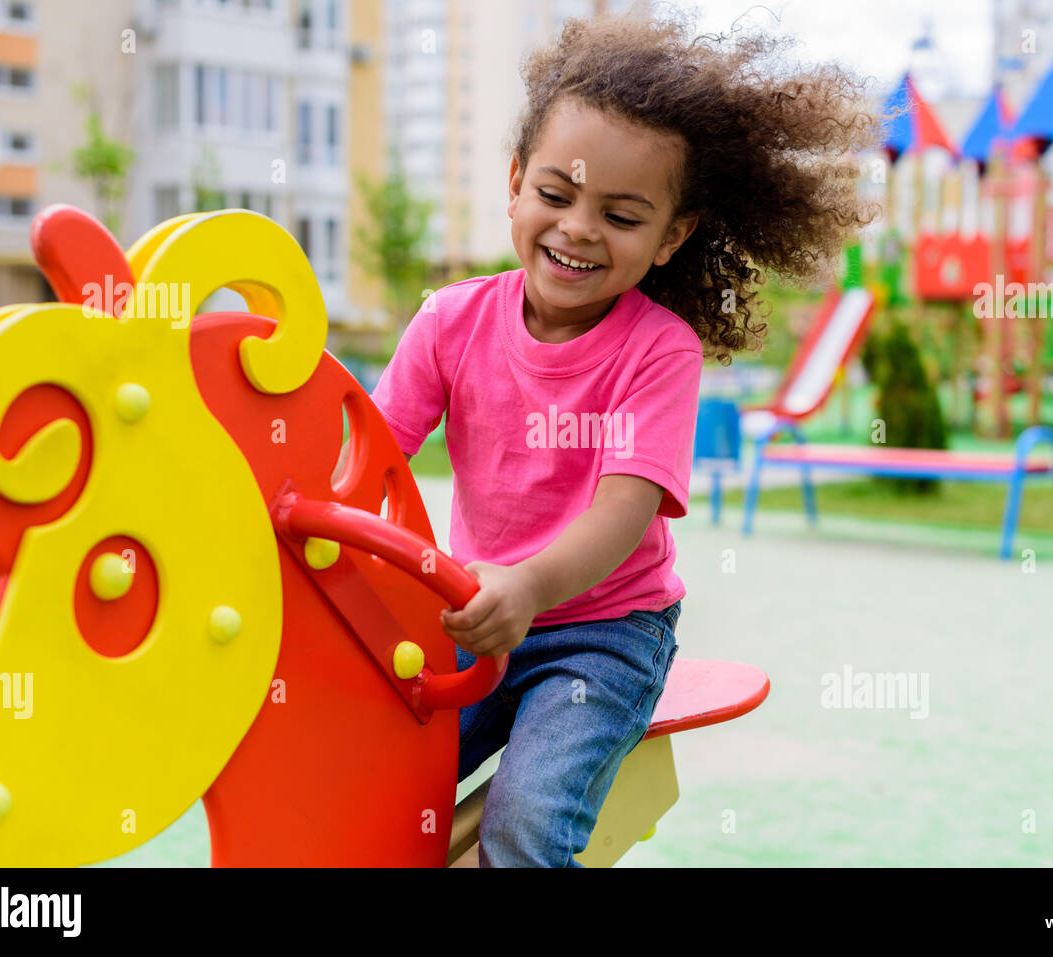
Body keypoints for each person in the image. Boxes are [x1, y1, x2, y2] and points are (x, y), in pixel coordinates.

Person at [369, 11, 876, 866]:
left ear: (671, 237)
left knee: (525, 819)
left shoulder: (658, 351)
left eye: (622, 214)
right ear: (516, 183)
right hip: (481, 611)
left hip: (603, 634)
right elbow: (370, 456)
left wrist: (528, 586)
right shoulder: (449, 320)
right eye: (557, 195)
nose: (577, 229)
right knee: (371, 771)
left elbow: (622, 509)